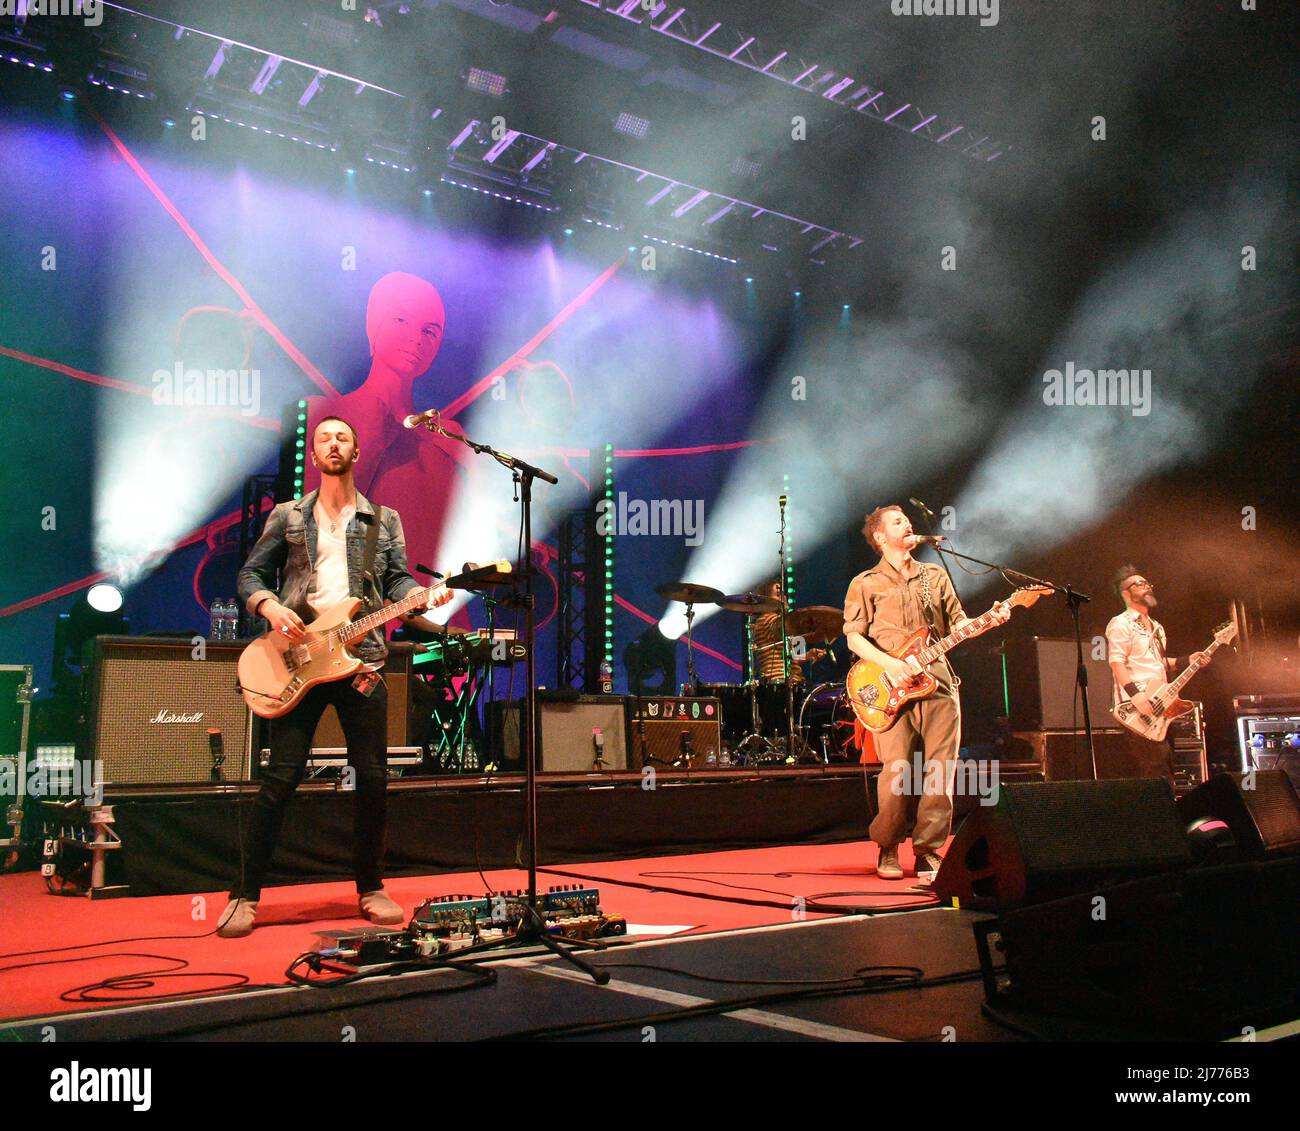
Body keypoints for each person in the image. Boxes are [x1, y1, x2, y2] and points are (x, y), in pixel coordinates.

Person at [217, 416, 452, 937]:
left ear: (356, 451)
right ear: (314, 454)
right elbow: (251, 574)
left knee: (373, 777)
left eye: (342, 437)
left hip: (361, 659)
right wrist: (269, 606)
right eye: (324, 437)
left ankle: (371, 887)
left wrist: (419, 598)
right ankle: (244, 895)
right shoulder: (288, 515)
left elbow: (396, 581)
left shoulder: (383, 519)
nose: (333, 443)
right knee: (281, 777)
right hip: (298, 657)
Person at [842, 505, 1007, 882]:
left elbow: (958, 623)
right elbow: (853, 637)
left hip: (937, 681)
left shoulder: (934, 575)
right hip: (890, 682)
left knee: (940, 768)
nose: (907, 524)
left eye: (907, 519)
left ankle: (929, 850)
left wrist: (986, 622)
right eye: (897, 521)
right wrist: (891, 664)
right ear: (880, 537)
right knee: (897, 769)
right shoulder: (864, 582)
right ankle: (888, 845)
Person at [1105, 565, 1210, 779]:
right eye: (1140, 584)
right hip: (1137, 709)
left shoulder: (1157, 627)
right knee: (1154, 770)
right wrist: (1136, 696)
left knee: (1166, 766)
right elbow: (1117, 663)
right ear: (1126, 593)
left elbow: (1158, 663)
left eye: (1147, 583)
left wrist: (1187, 660)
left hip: (1161, 705)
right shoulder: (1121, 623)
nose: (1147, 587)